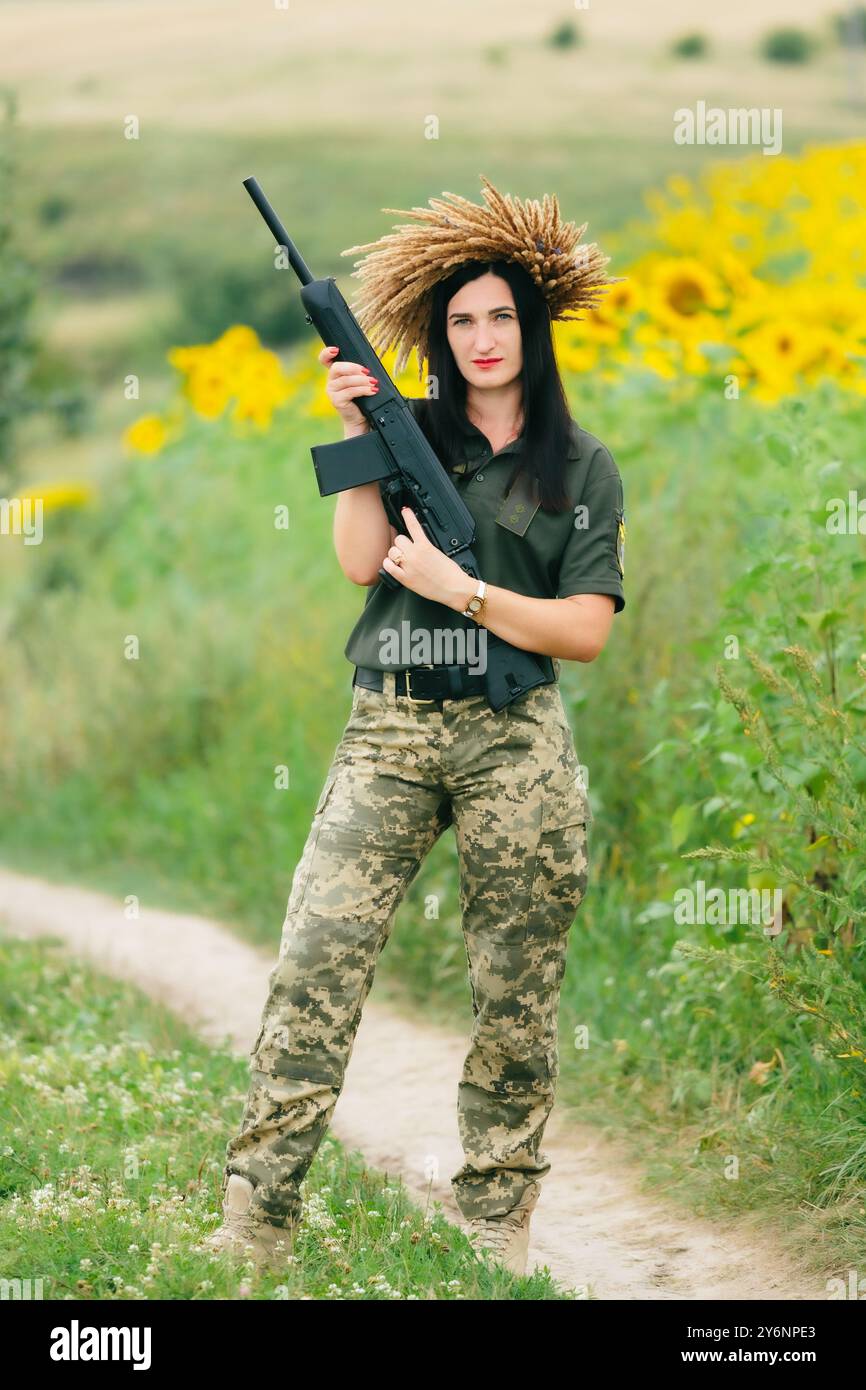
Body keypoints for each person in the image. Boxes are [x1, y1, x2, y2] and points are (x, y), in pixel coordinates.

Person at [202, 176, 626, 1280]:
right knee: (314, 961)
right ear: (437, 339)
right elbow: (354, 561)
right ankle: (257, 1216)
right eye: (459, 321)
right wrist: (355, 429)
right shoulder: (410, 434)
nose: (482, 338)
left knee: (515, 985)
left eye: (499, 317)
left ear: (529, 330)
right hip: (388, 728)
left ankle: (493, 1212)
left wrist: (463, 589)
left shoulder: (580, 467)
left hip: (513, 738)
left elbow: (581, 630)